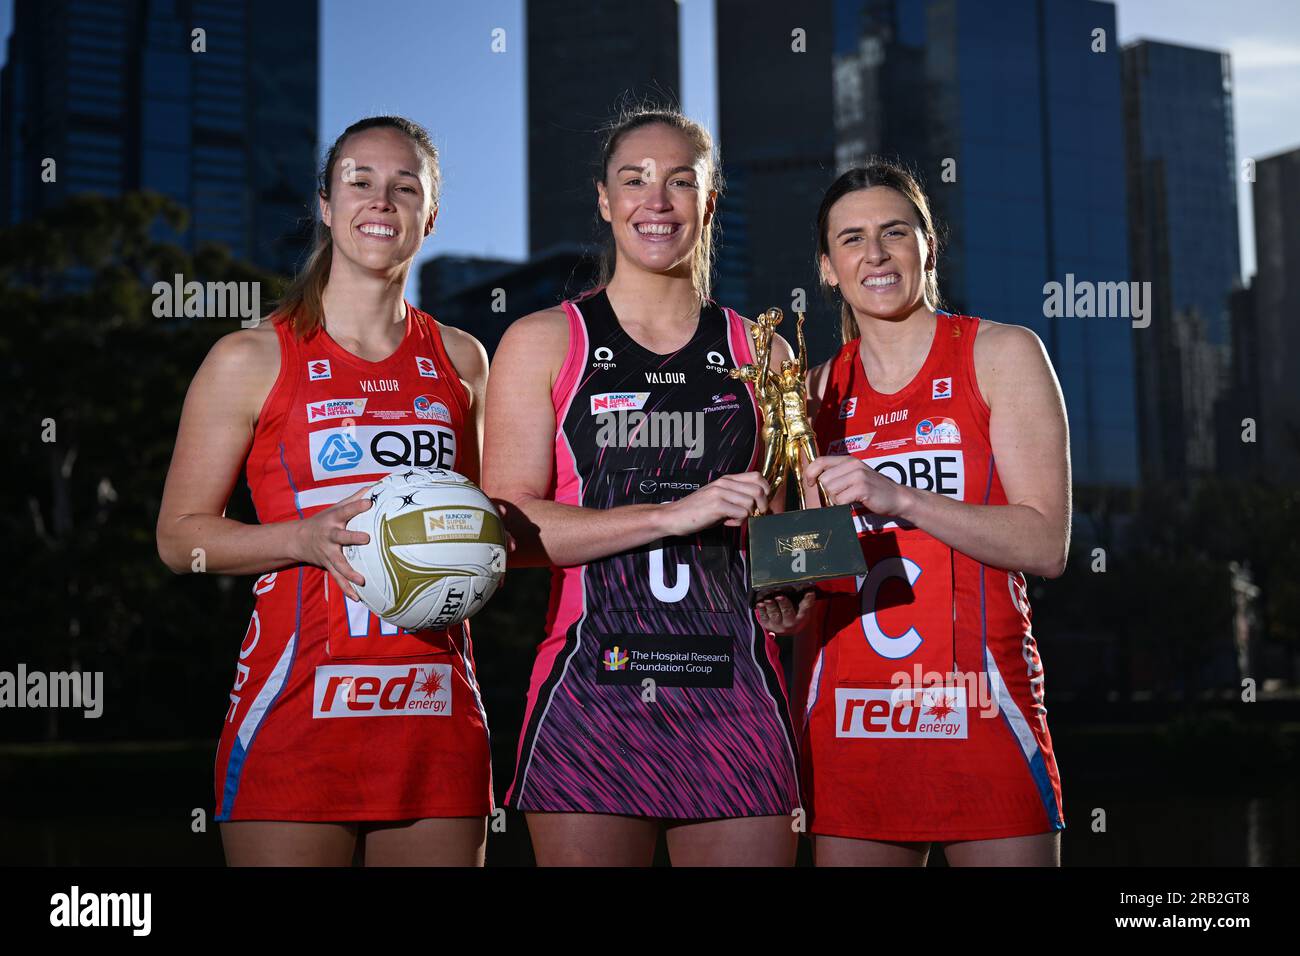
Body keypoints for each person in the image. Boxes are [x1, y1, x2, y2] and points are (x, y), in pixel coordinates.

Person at [156, 116, 493, 866]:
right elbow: (179, 538)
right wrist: (297, 539)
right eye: (360, 183)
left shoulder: (464, 361)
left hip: (435, 718)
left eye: (406, 187)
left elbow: (489, 527)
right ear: (327, 205)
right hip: (295, 715)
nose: (382, 201)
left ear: (429, 215)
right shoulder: (248, 357)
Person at [482, 107, 808, 866]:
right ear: (604, 199)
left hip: (735, 696)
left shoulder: (761, 352)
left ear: (711, 201)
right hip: (593, 692)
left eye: (681, 181)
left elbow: (779, 526)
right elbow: (507, 535)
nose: (656, 201)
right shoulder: (542, 341)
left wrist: (790, 584)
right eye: (635, 180)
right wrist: (670, 514)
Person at [787, 162, 1069, 866]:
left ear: (928, 247)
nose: (874, 254)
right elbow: (816, 562)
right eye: (851, 239)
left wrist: (899, 497)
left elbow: (1045, 543)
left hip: (984, 709)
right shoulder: (810, 391)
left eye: (894, 232)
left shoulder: (1001, 354)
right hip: (852, 721)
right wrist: (783, 593)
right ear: (827, 268)